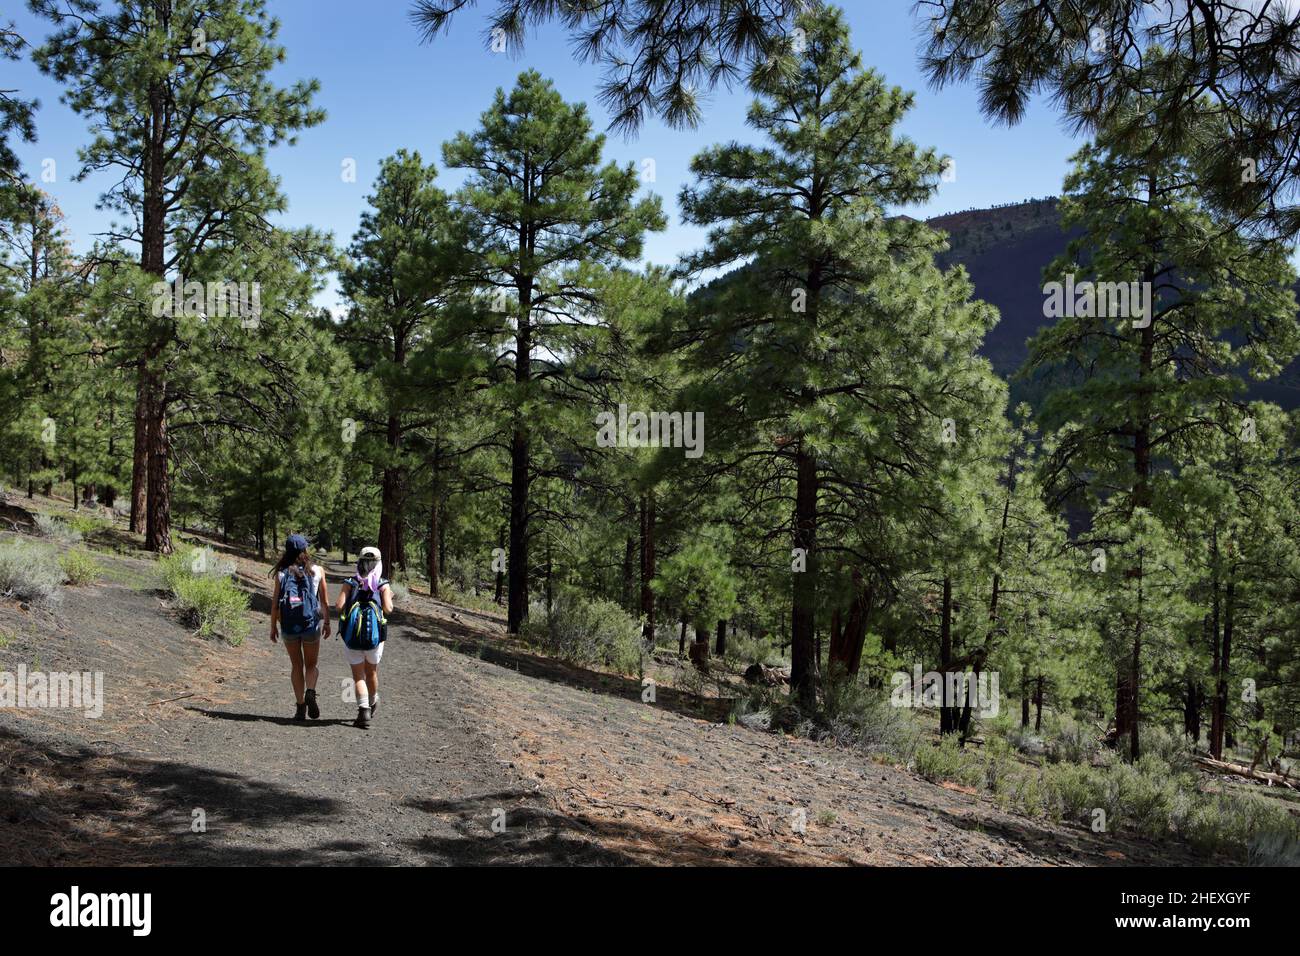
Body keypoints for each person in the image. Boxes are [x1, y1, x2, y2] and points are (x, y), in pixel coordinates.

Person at [269, 534, 330, 721]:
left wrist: (273, 626)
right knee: (311, 665)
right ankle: (310, 691)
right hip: (310, 624)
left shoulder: (281, 573)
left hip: (289, 625)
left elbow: (275, 604)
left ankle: (300, 706)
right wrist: (326, 622)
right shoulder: (317, 570)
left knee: (296, 665)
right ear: (305, 550)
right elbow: (325, 601)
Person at [336, 546, 392, 729]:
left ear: (359, 562)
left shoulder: (350, 582)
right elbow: (388, 609)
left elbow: (338, 606)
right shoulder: (382, 583)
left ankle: (363, 710)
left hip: (352, 637)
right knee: (372, 672)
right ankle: (373, 701)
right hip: (375, 638)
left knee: (358, 675)